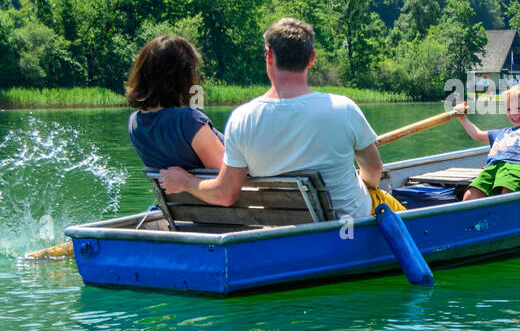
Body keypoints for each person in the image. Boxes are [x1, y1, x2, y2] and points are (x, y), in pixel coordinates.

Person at [159, 18, 385, 219]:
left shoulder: (241, 119)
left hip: (283, 228)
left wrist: (186, 181)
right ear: (311, 58)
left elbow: (225, 194)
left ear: (268, 55)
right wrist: (367, 185)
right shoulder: (343, 108)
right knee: (386, 199)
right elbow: (374, 170)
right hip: (348, 225)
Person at [126, 35, 224, 171]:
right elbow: (228, 180)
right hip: (241, 191)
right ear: (182, 76)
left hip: (180, 193)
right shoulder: (188, 120)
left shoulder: (135, 124)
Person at [454, 83, 520, 200]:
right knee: (470, 195)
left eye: (518, 108)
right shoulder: (503, 132)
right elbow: (478, 134)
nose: (513, 113)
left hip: (519, 165)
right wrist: (462, 118)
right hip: (493, 167)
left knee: (507, 191)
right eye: (509, 109)